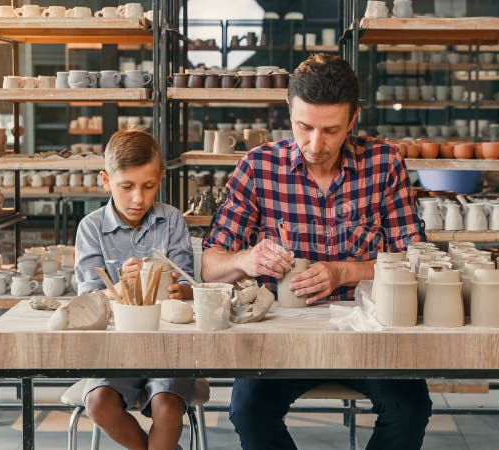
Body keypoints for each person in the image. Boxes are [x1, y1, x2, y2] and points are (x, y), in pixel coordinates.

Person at [201, 53, 431, 449]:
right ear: (288, 110)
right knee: (247, 409)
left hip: (367, 328)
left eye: (331, 130)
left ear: (353, 120)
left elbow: (415, 260)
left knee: (411, 408)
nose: (315, 144)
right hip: (284, 333)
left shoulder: (384, 163)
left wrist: (345, 272)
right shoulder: (257, 167)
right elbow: (209, 266)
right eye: (304, 127)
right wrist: (245, 259)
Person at [74, 129, 194, 450]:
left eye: (148, 186)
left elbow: (187, 284)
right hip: (115, 352)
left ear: (161, 179)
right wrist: (118, 287)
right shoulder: (91, 228)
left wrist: (180, 290)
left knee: (167, 407)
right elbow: (88, 301)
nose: (138, 199)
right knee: (98, 402)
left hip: (170, 351)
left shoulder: (171, 220)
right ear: (105, 180)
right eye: (126, 187)